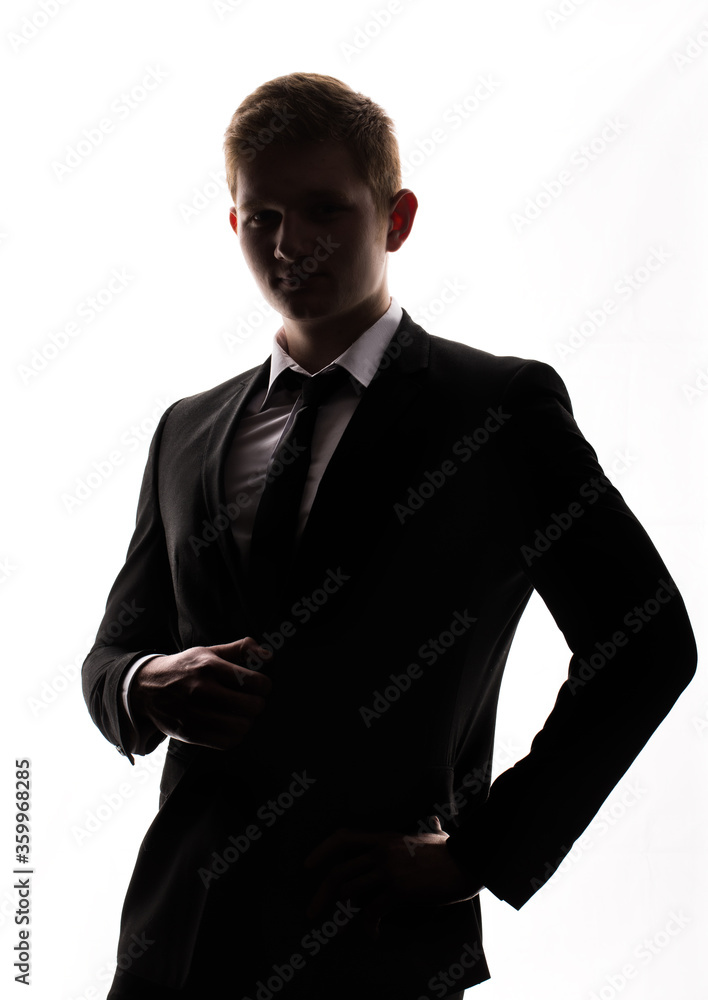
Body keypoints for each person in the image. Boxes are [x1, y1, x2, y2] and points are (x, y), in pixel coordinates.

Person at [82, 72, 697, 1000]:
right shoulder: (185, 430)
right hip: (177, 942)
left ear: (397, 218)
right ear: (234, 222)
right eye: (264, 217)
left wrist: (477, 856)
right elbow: (114, 653)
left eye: (326, 209)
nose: (291, 245)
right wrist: (141, 684)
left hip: (373, 945)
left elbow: (646, 640)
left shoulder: (499, 409)